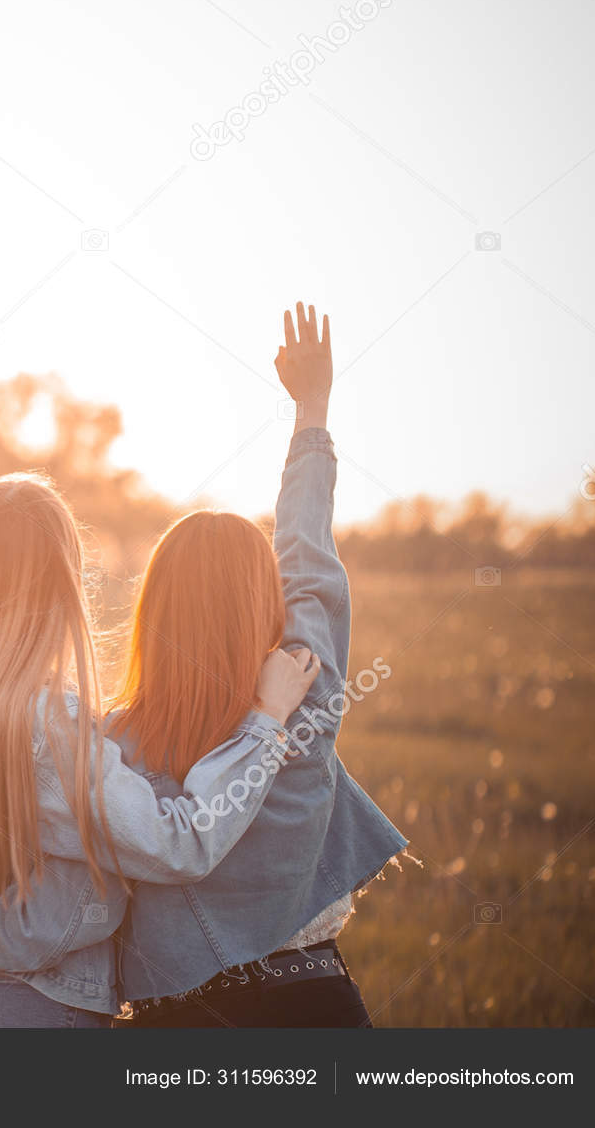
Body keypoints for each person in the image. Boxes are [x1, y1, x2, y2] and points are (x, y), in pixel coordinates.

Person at [0, 283, 321, 1027]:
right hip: (40, 1014)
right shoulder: (53, 729)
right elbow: (179, 841)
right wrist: (266, 718)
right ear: (59, 589)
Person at [114, 302, 407, 1027]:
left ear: (154, 613)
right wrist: (312, 408)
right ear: (265, 603)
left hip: (177, 1023)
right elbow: (309, 556)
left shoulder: (114, 744)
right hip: (313, 1004)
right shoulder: (303, 689)